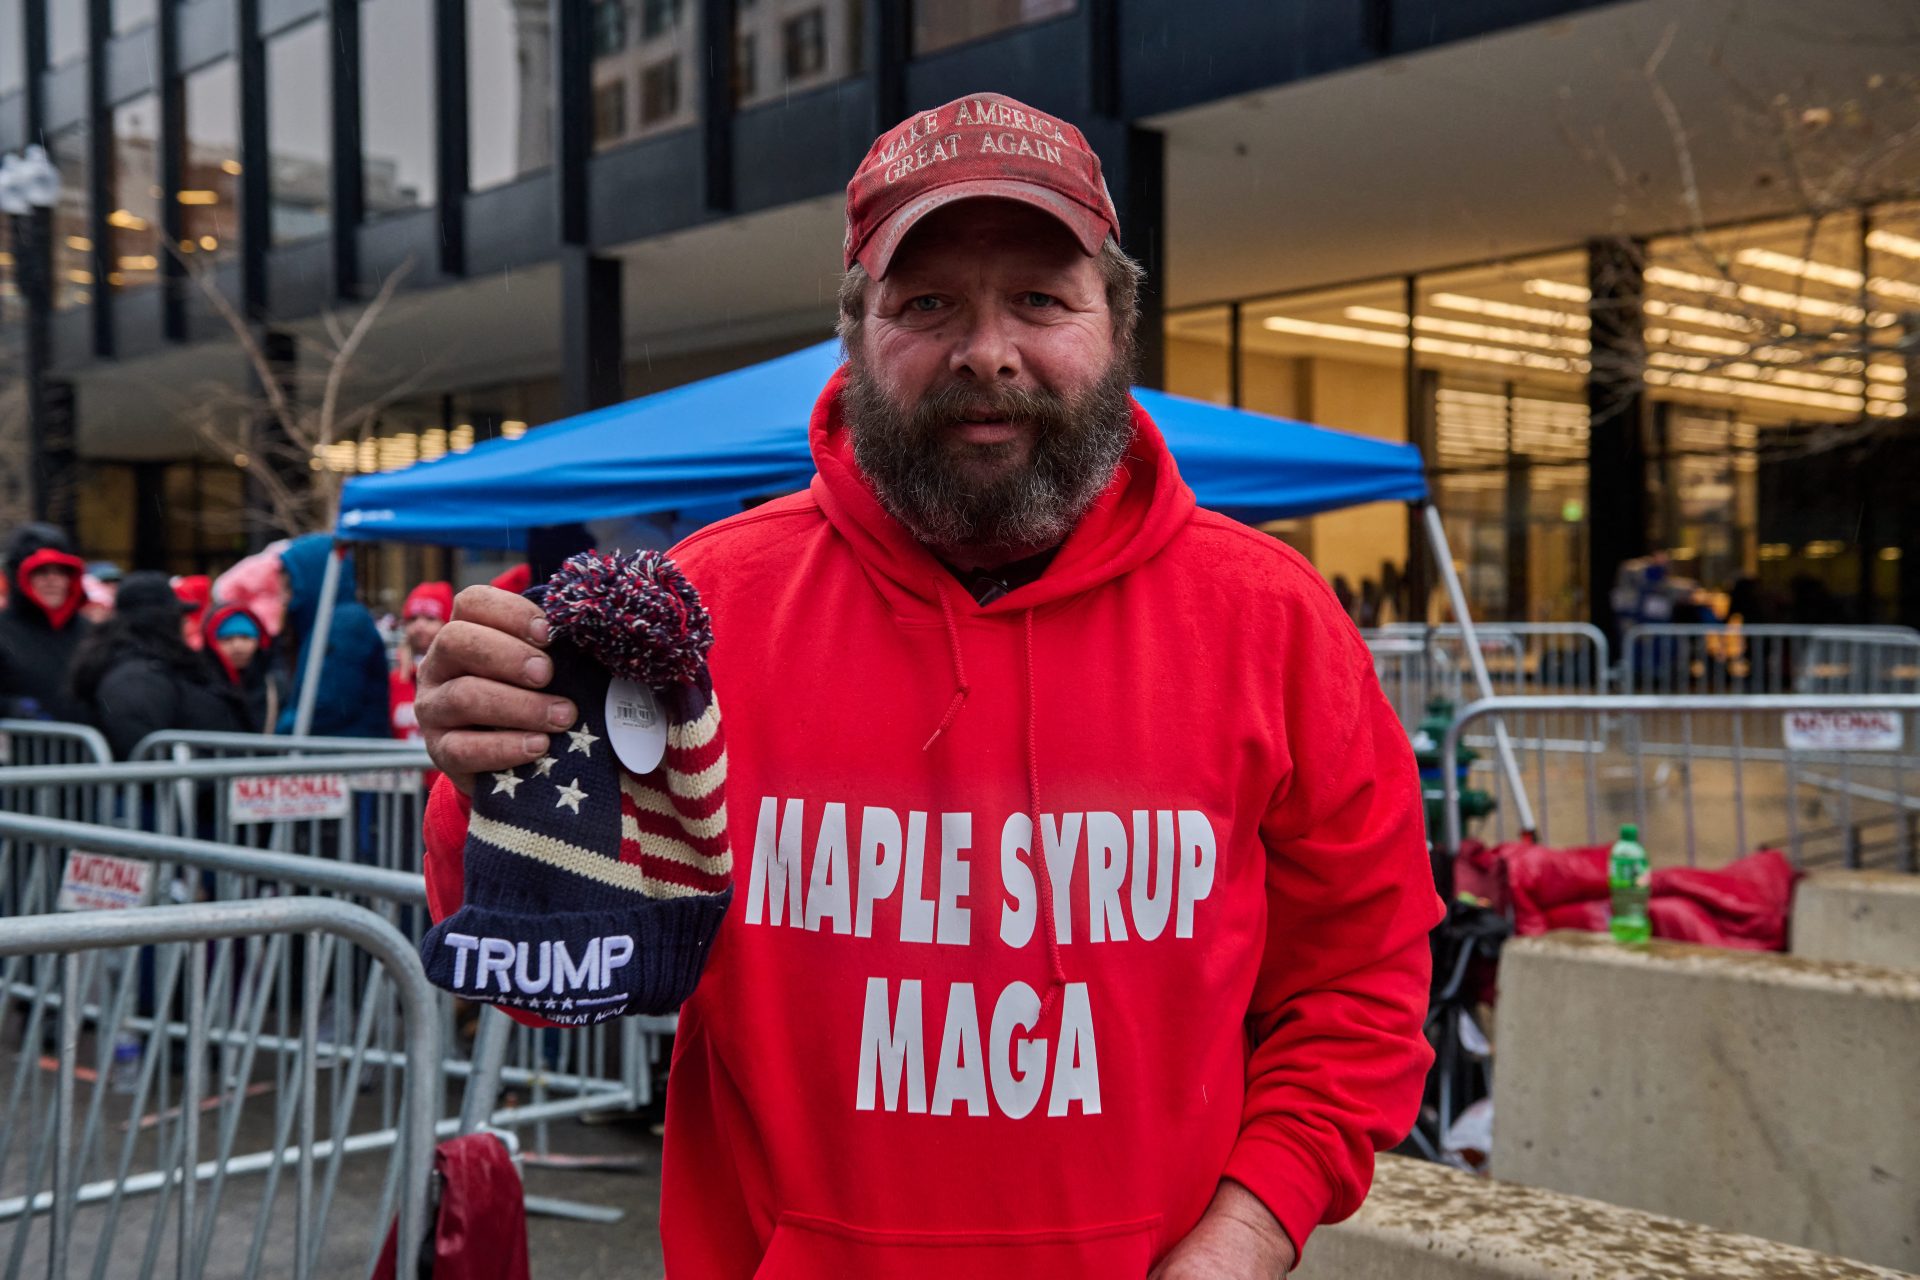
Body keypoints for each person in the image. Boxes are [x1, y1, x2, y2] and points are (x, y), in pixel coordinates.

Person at [415, 92, 1438, 1278]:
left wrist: (1252, 1227)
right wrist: (489, 775)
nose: (987, 350)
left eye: (1040, 299)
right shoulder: (699, 615)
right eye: (928, 303)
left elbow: (1360, 984)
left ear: (1119, 326)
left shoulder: (1274, 621)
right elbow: (543, 980)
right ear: (857, 333)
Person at [69, 572, 249, 759]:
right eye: (179, 616)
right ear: (162, 619)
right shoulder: (135, 677)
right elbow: (142, 748)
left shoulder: (157, 664)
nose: (185, 624)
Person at [274, 533, 392, 739]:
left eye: (289, 586)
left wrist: (281, 730)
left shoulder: (344, 623)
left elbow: (329, 705)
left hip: (349, 752)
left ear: (310, 580)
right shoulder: (325, 624)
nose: (285, 598)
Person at [0, 522, 94, 721]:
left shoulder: (89, 631)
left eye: (61, 571)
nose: (52, 580)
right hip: (26, 739)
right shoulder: (4, 630)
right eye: (41, 572)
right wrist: (11, 708)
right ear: (21, 577)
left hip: (85, 738)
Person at [203, 604, 283, 733]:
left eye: (245, 637)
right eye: (227, 639)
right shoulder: (200, 686)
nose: (237, 646)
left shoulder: (275, 688)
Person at [389, 581, 452, 743]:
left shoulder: (456, 677)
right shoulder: (394, 680)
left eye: (430, 618)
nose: (419, 625)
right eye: (413, 619)